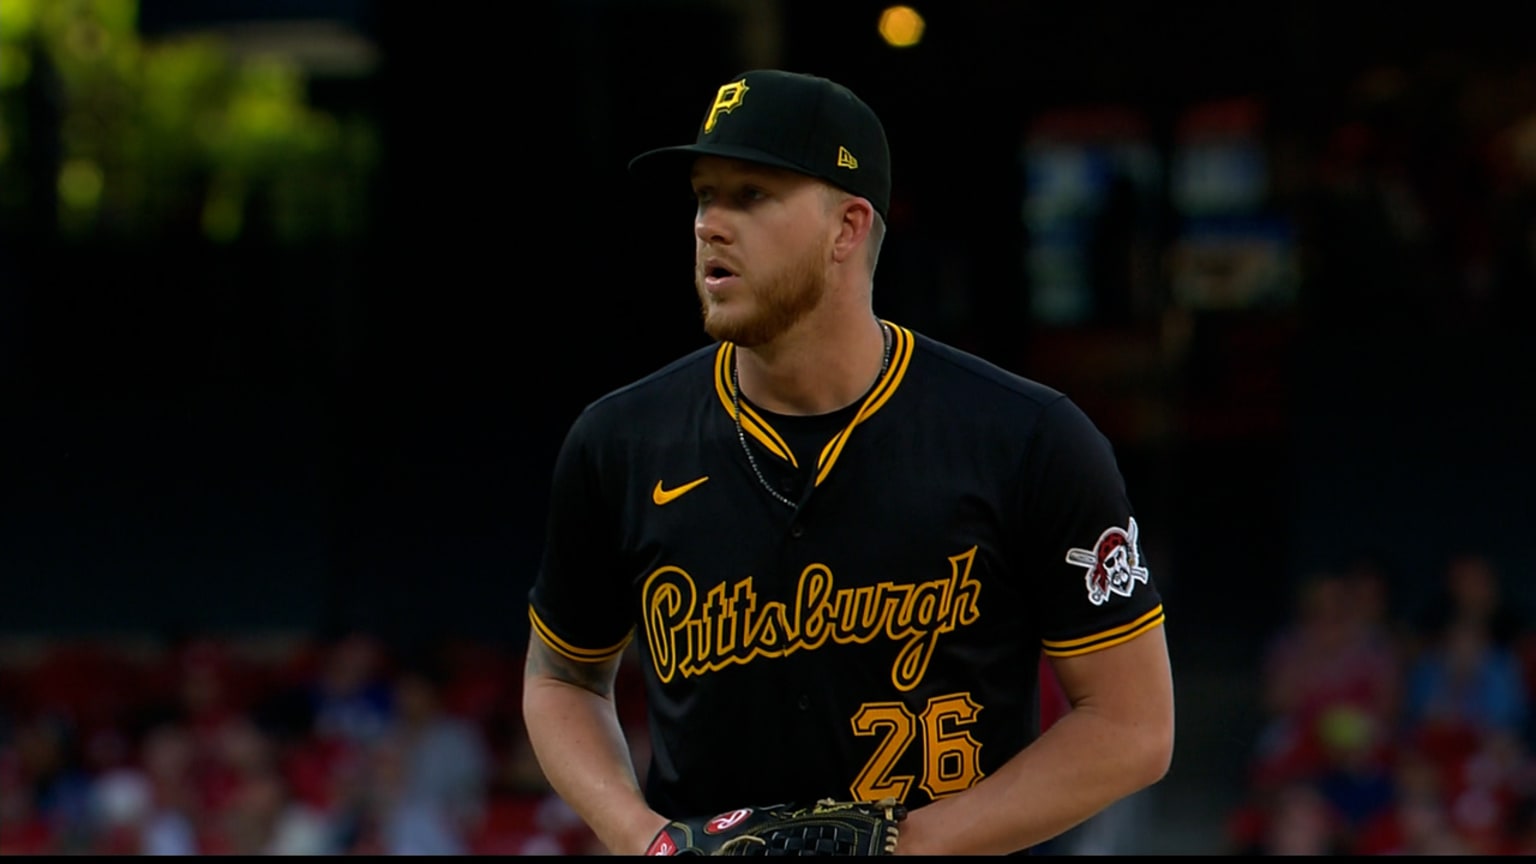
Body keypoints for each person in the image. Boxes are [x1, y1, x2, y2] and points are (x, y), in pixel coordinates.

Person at [520, 68, 1175, 856]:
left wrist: (909, 844)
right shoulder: (621, 442)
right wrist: (645, 839)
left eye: (751, 195)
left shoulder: (1027, 438)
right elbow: (561, 679)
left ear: (848, 227)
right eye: (703, 195)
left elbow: (1133, 726)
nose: (709, 225)